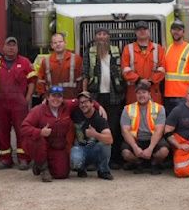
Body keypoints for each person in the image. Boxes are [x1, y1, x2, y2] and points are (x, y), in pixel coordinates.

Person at [0, 36, 35, 169]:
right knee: (1, 131)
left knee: (22, 130)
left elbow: (32, 82)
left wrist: (26, 99)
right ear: (3, 47)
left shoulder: (25, 62)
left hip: (19, 103)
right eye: (8, 45)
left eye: (13, 45)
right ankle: (5, 158)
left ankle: (24, 158)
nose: (11, 48)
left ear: (17, 48)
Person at [84, 27, 125, 166]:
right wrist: (85, 96)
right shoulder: (89, 52)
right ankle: (94, 160)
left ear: (109, 37)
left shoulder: (116, 51)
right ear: (95, 37)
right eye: (99, 34)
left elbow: (122, 73)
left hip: (114, 96)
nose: (102, 37)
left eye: (104, 34)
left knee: (114, 128)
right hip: (95, 97)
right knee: (94, 127)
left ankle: (113, 159)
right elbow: (85, 74)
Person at [20, 86, 78, 182]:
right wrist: (40, 132)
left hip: (58, 146)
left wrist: (98, 106)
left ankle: (39, 164)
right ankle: (43, 167)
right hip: (43, 144)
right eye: (53, 96)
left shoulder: (67, 106)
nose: (56, 99)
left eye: (59, 96)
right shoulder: (38, 110)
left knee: (61, 174)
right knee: (36, 138)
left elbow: (81, 101)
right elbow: (24, 127)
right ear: (47, 97)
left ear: (62, 98)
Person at [119, 80, 169, 174]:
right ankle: (139, 163)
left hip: (152, 139)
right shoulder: (127, 109)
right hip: (136, 139)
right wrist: (135, 147)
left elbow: (159, 131)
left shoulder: (159, 108)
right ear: (136, 95)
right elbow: (125, 131)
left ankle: (154, 163)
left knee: (164, 151)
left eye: (144, 92)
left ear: (149, 94)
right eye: (138, 93)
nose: (141, 95)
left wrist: (150, 148)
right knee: (126, 153)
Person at [70, 91, 114, 180]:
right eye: (81, 103)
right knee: (75, 159)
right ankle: (81, 169)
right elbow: (63, 103)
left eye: (86, 102)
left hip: (95, 150)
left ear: (92, 103)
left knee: (105, 144)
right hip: (80, 148)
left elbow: (110, 139)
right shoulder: (75, 113)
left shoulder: (99, 118)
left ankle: (103, 171)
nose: (83, 105)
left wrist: (95, 134)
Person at [121, 21, 165, 104]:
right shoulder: (128, 48)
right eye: (139, 29)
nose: (142, 31)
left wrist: (150, 81)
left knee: (154, 115)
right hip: (134, 90)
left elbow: (162, 69)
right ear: (135, 32)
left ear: (149, 31)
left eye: (144, 29)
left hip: (153, 90)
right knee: (133, 115)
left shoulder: (158, 48)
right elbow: (125, 70)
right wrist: (139, 80)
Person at [36, 32, 84, 99]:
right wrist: (44, 96)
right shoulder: (45, 62)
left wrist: (80, 98)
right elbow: (40, 81)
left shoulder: (76, 59)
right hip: (53, 101)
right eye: (55, 43)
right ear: (52, 45)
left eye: (60, 42)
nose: (58, 44)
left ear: (65, 43)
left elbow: (81, 81)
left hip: (71, 100)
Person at [163, 20, 189, 112]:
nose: (176, 32)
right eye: (174, 29)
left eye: (179, 30)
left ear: (183, 32)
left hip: (183, 96)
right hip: (168, 95)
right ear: (170, 31)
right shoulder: (167, 49)